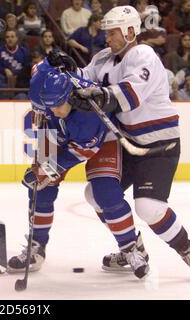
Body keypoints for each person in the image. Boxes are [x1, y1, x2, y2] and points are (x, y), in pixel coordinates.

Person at [69, 5, 190, 270]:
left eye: (112, 33)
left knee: (148, 207)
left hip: (159, 145)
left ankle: (187, 249)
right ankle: (132, 248)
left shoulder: (143, 54)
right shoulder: (103, 57)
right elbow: (84, 79)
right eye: (107, 33)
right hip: (129, 145)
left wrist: (99, 96)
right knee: (96, 194)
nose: (107, 38)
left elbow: (129, 96)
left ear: (131, 31)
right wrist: (64, 71)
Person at [8, 56, 149, 278]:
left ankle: (132, 248)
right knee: (40, 187)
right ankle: (37, 246)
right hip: (52, 131)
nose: (53, 111)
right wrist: (52, 57)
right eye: (47, 107)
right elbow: (38, 67)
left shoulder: (89, 114)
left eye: (56, 107)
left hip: (100, 140)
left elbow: (77, 154)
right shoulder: (50, 95)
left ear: (68, 97)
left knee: (106, 193)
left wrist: (47, 170)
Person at [0, 29, 30, 99]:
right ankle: (4, 102)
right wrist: (4, 70)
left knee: (22, 96)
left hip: (19, 82)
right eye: (7, 37)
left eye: (12, 37)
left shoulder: (24, 51)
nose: (10, 39)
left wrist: (18, 75)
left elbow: (27, 68)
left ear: (17, 38)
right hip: (3, 80)